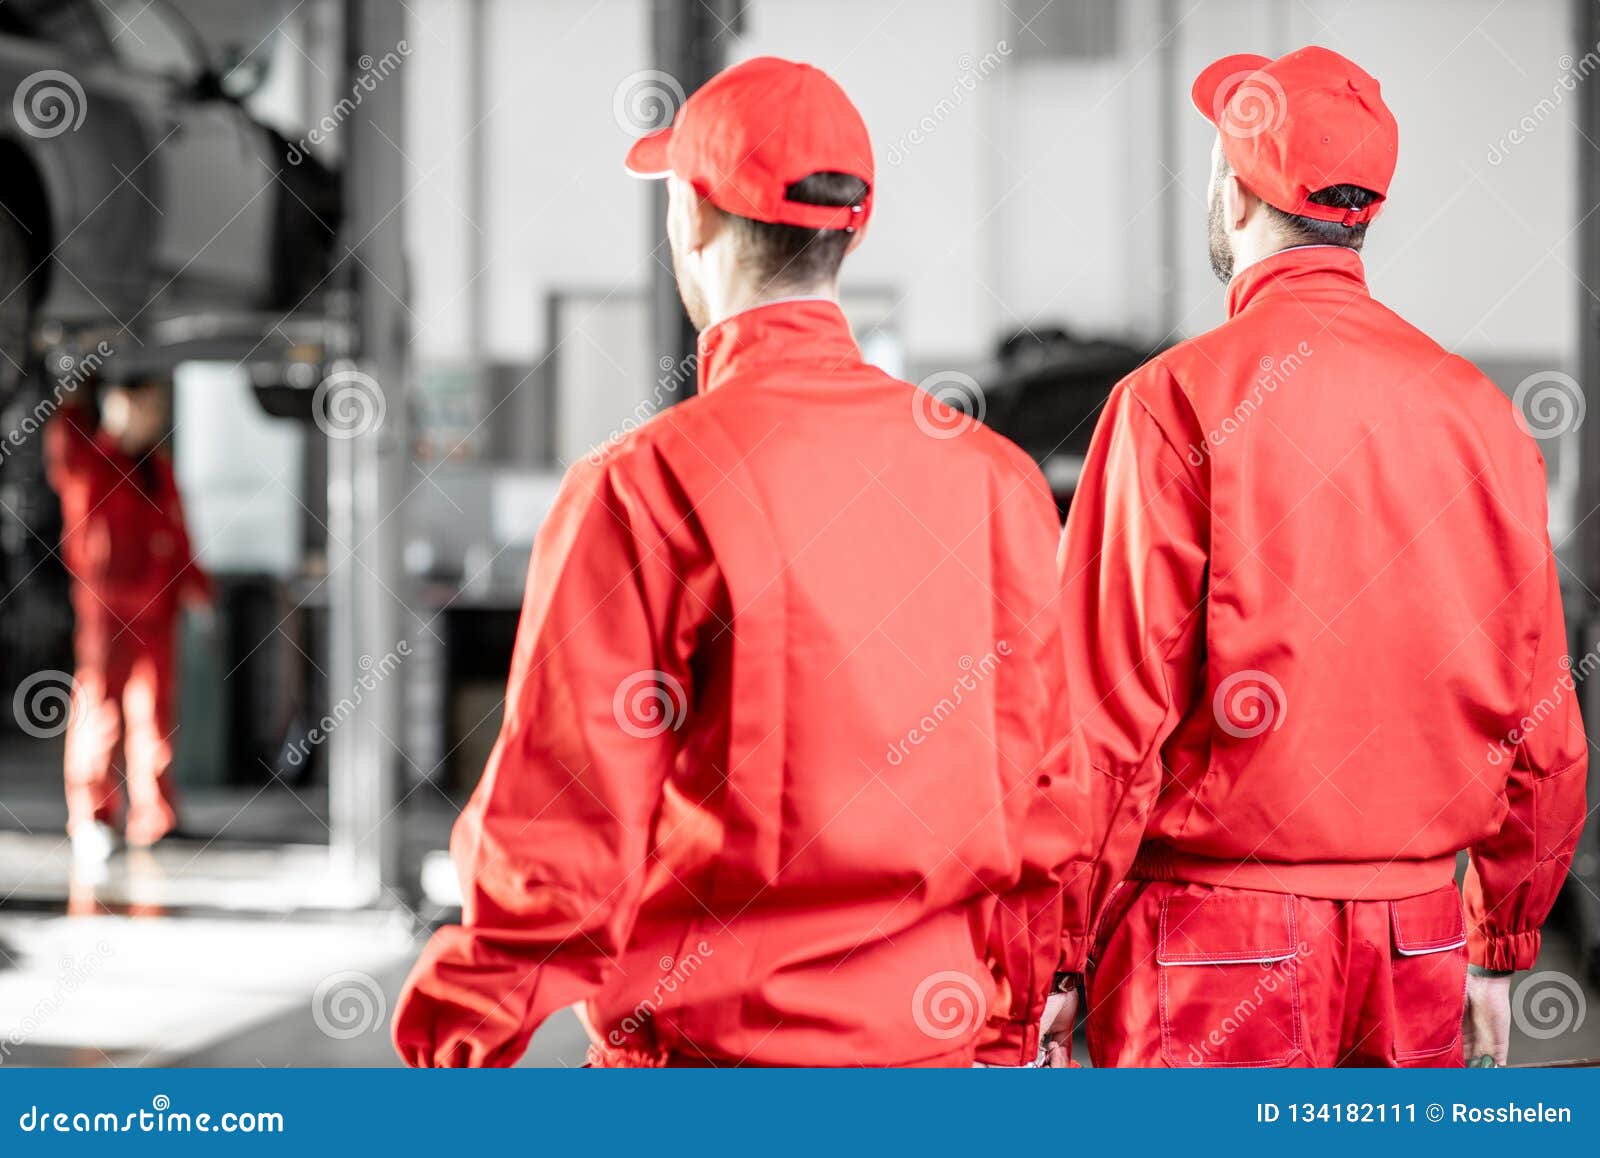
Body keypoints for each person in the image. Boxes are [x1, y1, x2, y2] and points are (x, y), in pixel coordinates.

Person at [392, 56, 1072, 1068]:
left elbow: (560, 830)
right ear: (852, 227)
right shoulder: (997, 482)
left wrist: (457, 1039)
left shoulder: (642, 486)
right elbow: (1048, 789)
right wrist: (1019, 1017)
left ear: (691, 221)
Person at [1039, 45, 1588, 1068]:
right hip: (1420, 938)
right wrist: (1497, 946)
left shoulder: (1170, 404)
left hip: (1211, 947)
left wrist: (1058, 956)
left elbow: (1103, 725)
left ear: (1235, 188)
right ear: (1359, 206)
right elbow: (1545, 730)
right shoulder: (1480, 417)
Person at [46, 375, 213, 864]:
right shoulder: (88, 464)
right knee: (100, 713)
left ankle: (154, 815)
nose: (156, 418)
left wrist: (198, 590)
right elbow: (64, 436)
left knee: (155, 715)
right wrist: (76, 387)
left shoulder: (157, 470)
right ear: (120, 404)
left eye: (160, 409)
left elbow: (178, 535)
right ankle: (92, 819)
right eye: (148, 407)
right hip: (107, 614)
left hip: (157, 614)